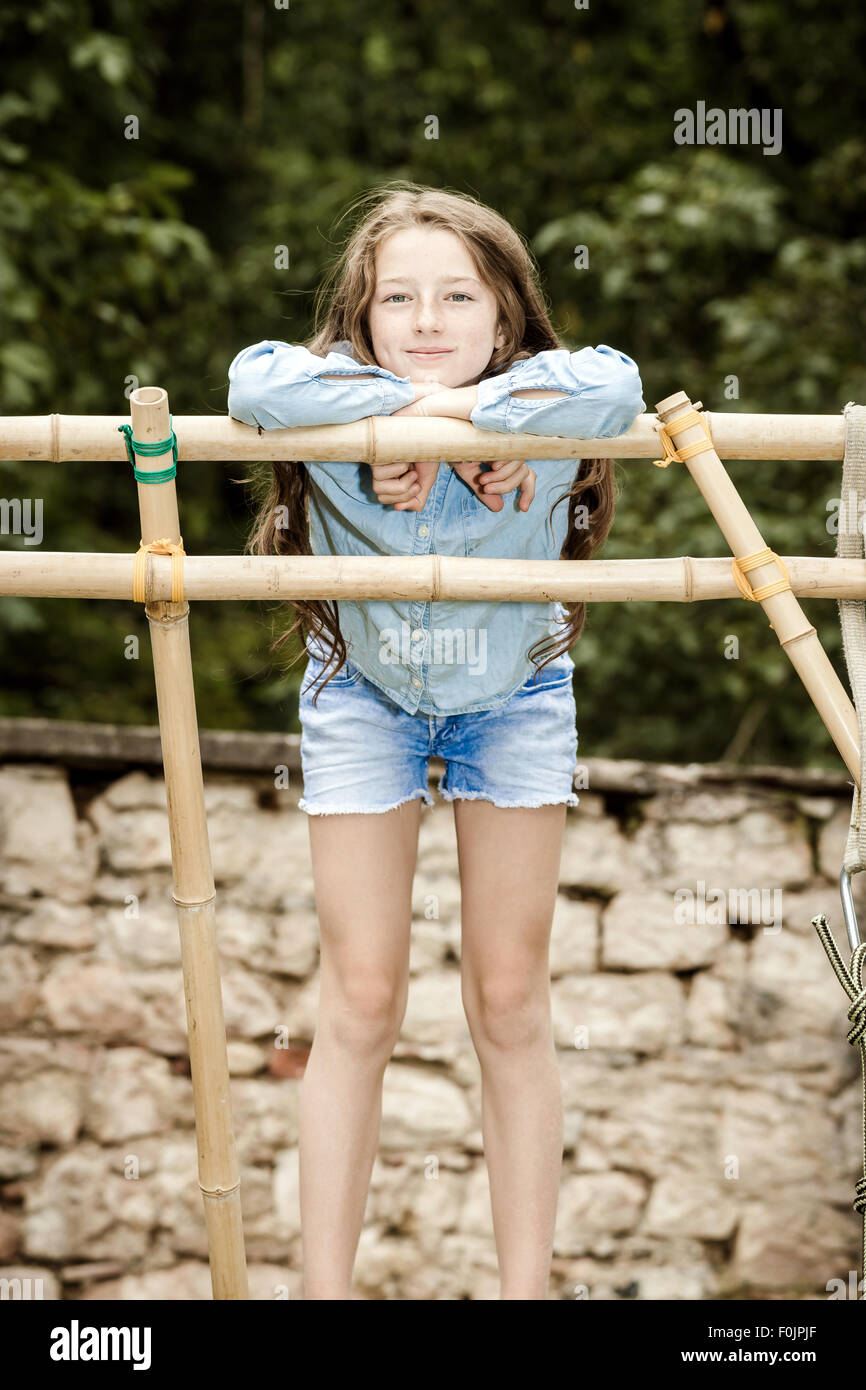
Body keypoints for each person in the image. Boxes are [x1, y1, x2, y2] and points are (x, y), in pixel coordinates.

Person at [227, 180, 645, 1300]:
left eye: (456, 296)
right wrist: (390, 424)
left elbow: (619, 381)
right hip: (361, 691)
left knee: (508, 994)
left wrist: (483, 420)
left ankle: (524, 1295)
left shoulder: (545, 395)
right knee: (358, 994)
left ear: (502, 317)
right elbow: (246, 376)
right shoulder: (325, 400)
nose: (425, 320)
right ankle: (321, 1295)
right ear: (360, 322)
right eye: (395, 299)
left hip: (512, 695)